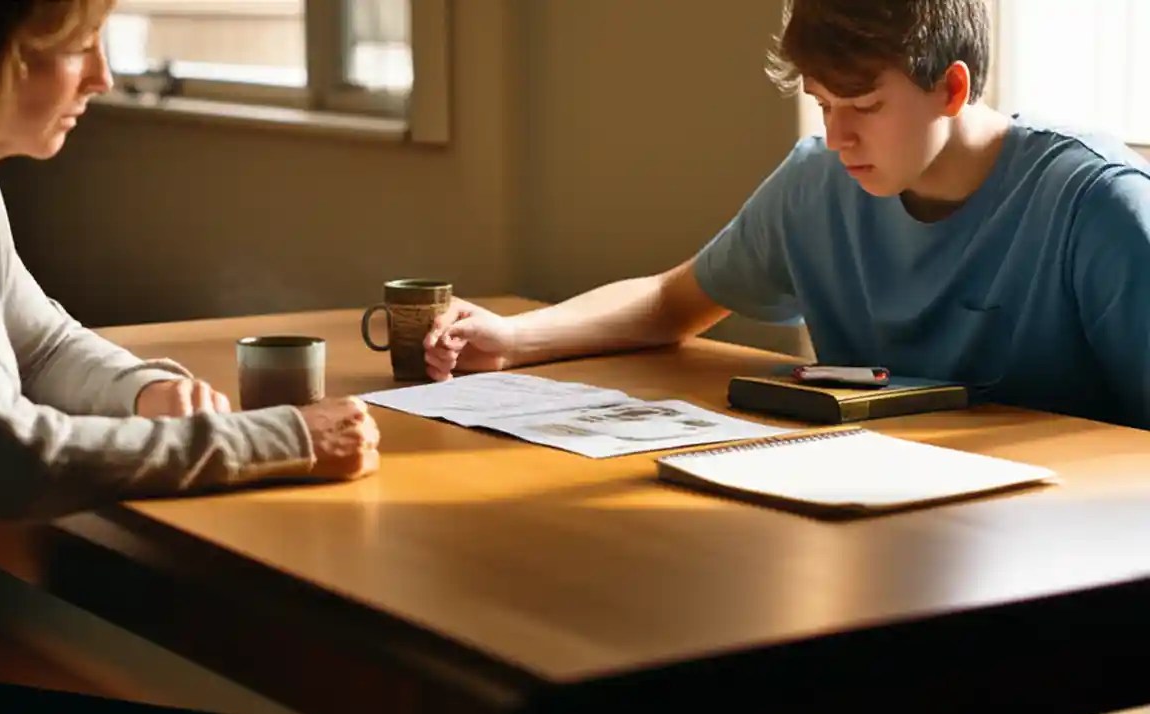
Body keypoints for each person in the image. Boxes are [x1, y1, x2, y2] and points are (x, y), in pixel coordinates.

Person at [0, 0, 379, 714]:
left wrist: (144, 393)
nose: (102, 77)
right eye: (79, 46)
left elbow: (39, 342)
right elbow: (3, 464)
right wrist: (291, 437)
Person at [425, 0, 1150, 430]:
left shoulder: (1098, 208)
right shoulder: (819, 182)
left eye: (863, 107)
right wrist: (514, 339)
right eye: (822, 105)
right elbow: (670, 300)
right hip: (886, 532)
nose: (837, 138)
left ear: (952, 88)